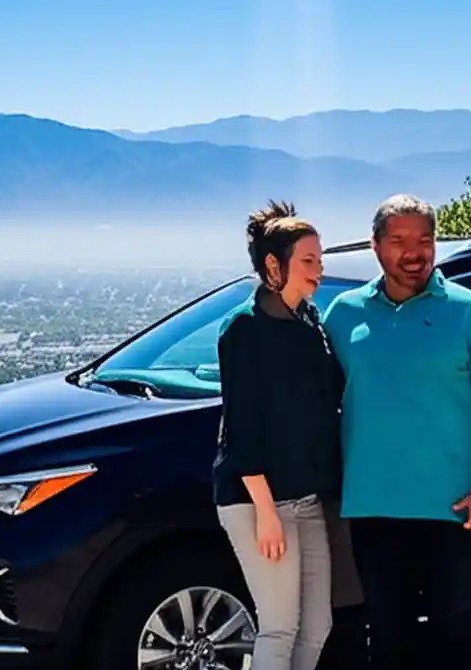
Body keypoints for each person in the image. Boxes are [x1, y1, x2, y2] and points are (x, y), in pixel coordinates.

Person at [321, 194, 471, 670]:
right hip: (375, 510)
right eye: (399, 241)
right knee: (389, 640)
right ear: (376, 247)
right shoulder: (344, 315)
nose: (415, 252)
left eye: (425, 240)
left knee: (459, 638)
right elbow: (313, 398)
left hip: (454, 510)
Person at [212, 200, 345, 670]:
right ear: (274, 265)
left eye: (320, 261)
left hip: (304, 497)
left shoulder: (310, 323)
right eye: (309, 261)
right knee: (279, 626)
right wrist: (266, 512)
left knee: (318, 626)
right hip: (257, 501)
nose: (319, 271)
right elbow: (243, 428)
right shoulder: (244, 330)